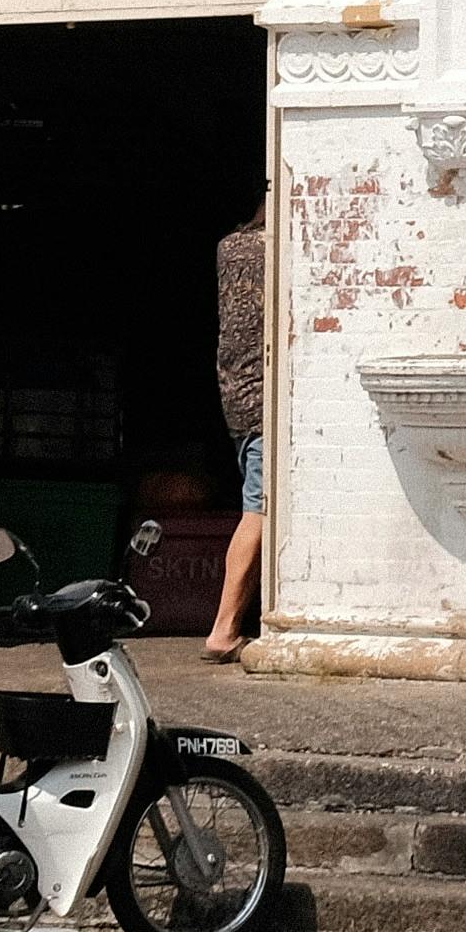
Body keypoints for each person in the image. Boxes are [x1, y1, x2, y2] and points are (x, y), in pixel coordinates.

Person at [200, 219, 267, 663]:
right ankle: (223, 630)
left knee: (262, 507)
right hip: (267, 401)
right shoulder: (275, 252)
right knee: (259, 510)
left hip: (238, 397)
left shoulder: (230, 247)